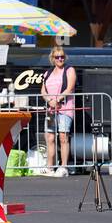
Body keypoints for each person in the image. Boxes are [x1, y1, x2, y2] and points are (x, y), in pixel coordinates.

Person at [42, 48, 76, 176]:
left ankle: (63, 166)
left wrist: (57, 99)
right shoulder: (48, 73)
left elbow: (70, 88)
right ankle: (49, 167)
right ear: (53, 58)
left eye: (62, 56)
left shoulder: (69, 70)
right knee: (50, 137)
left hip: (65, 108)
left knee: (63, 137)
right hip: (51, 109)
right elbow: (43, 90)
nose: (60, 59)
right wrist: (49, 100)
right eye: (57, 57)